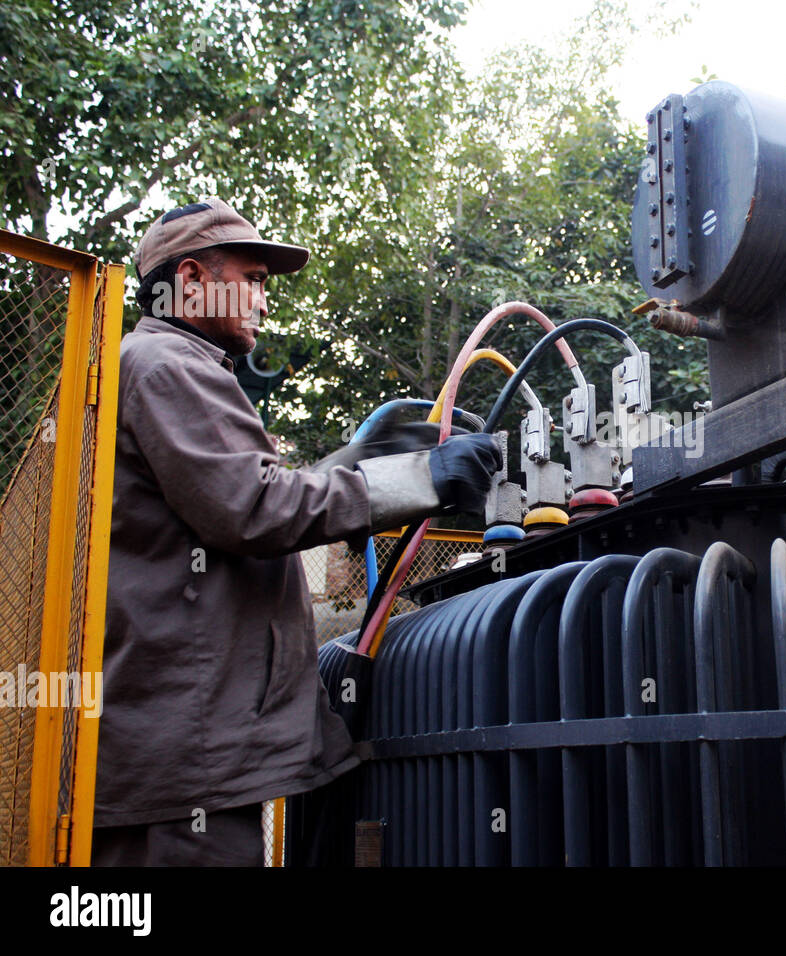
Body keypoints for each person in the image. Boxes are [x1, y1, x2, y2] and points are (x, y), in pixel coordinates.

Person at [91, 199, 500, 865]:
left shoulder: (164, 364)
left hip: (185, 753)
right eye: (250, 280)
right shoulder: (168, 363)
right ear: (190, 280)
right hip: (184, 768)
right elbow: (252, 506)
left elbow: (234, 492)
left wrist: (362, 464)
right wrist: (417, 478)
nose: (262, 300)